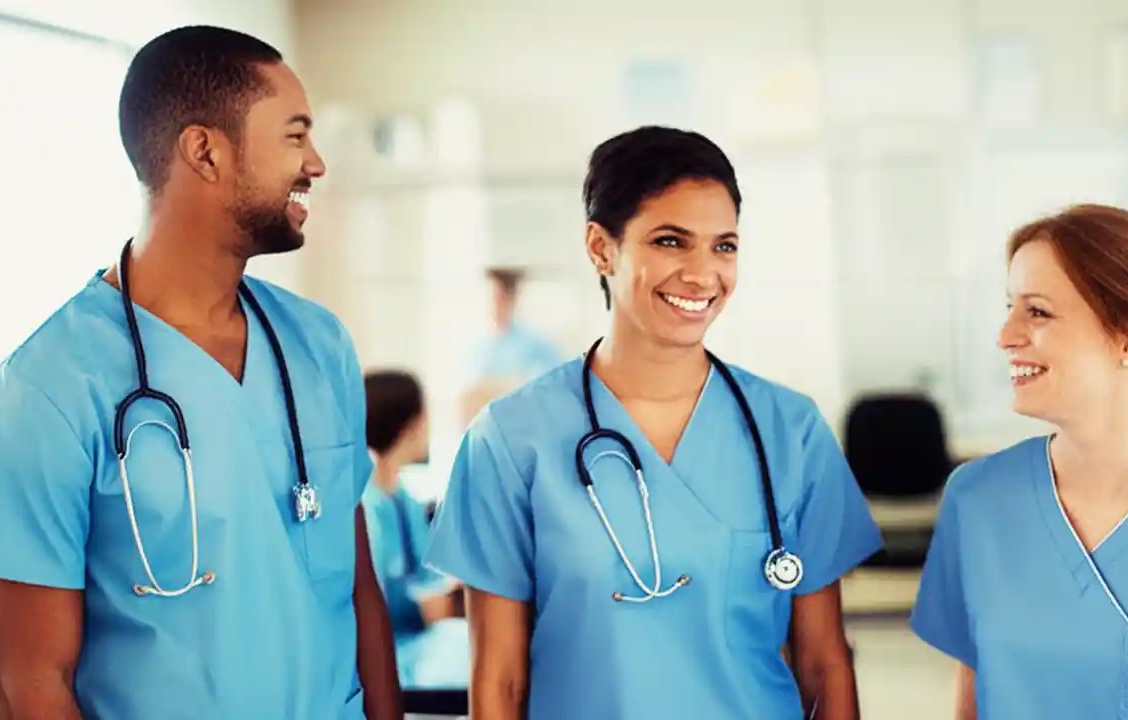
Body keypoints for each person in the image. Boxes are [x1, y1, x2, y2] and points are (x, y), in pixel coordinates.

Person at [0, 26, 401, 719]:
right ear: (205, 151)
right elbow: (29, 683)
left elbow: (358, 592)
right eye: (295, 136)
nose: (316, 163)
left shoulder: (320, 346)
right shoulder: (46, 389)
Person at [424, 125, 883, 719]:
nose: (702, 274)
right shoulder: (511, 440)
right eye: (670, 241)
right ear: (601, 248)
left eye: (723, 246)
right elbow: (499, 682)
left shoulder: (790, 430)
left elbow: (825, 664)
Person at [911, 204, 1128, 719]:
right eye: (1009, 307)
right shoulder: (977, 499)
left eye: (1037, 312)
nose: (1005, 336)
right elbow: (972, 699)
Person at [361, 369, 469, 689]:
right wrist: (425, 609)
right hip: (395, 654)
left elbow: (427, 575)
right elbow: (373, 601)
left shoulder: (403, 498)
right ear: (408, 426)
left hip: (420, 643)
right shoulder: (365, 505)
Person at [458, 267, 563, 425]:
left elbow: (553, 389)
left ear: (512, 299)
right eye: (491, 299)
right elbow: (468, 398)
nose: (494, 305)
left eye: (499, 298)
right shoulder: (477, 348)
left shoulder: (535, 344)